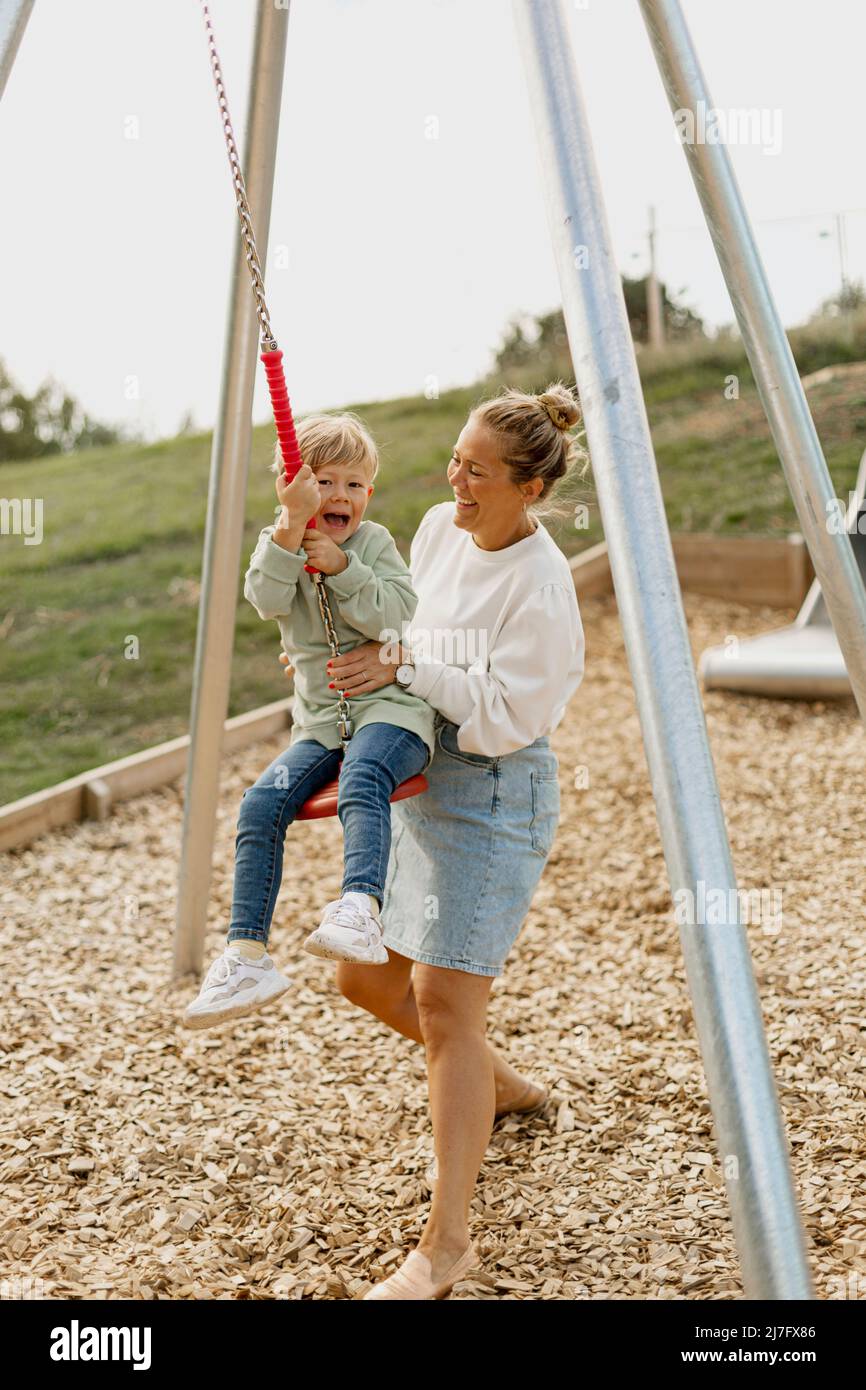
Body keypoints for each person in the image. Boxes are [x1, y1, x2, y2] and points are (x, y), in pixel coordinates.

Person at [302, 382, 587, 1299]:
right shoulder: (433, 529)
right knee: (361, 973)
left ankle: (447, 1246)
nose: (455, 480)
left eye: (479, 472)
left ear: (530, 491)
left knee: (442, 1002)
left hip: (496, 792)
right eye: (457, 460)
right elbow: (400, 627)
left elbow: (505, 718)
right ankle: (498, 1086)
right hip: (422, 768)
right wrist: (335, 653)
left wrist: (409, 662)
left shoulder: (543, 588)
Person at [182, 413, 435, 1031]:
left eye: (354, 484)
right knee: (259, 804)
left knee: (365, 775)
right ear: (294, 491)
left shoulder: (372, 544)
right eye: (324, 482)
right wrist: (292, 534)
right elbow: (265, 600)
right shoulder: (282, 547)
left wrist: (346, 570)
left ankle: (359, 906)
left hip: (391, 715)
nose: (340, 496)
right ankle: (246, 954)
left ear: (368, 495)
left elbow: (398, 618)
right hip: (321, 725)